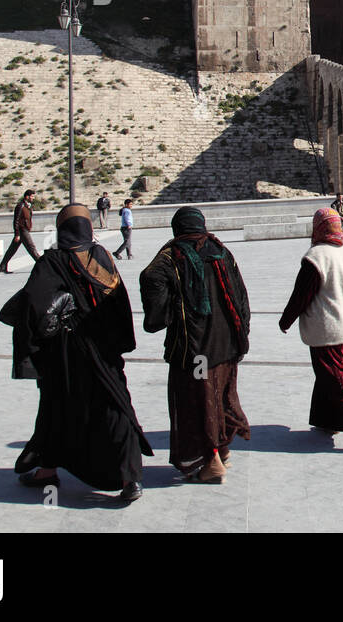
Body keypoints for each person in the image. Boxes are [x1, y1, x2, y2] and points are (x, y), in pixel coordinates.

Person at [0, 205, 151, 502]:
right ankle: (130, 478)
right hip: (104, 351)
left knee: (57, 409)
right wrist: (118, 343)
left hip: (66, 353)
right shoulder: (103, 258)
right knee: (115, 406)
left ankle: (47, 471)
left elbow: (33, 304)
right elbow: (120, 303)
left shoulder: (52, 261)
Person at [140, 207, 251, 484]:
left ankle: (210, 461)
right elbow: (241, 297)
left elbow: (151, 287)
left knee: (196, 403)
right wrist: (242, 336)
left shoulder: (170, 258)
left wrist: (165, 311)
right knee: (221, 396)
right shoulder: (221, 252)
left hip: (195, 350)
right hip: (226, 346)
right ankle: (222, 450)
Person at [280, 208, 343, 450]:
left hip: (329, 331)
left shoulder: (316, 257)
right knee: (339, 379)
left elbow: (301, 295)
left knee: (333, 382)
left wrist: (286, 321)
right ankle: (328, 420)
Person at [0, 190, 40, 274]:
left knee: (12, 250)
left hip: (25, 230)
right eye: (32, 196)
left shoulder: (28, 206)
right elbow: (16, 221)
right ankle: (43, 266)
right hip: (22, 231)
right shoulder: (20, 206)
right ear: (27, 196)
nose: (33, 198)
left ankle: (2, 267)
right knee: (32, 248)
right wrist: (17, 234)